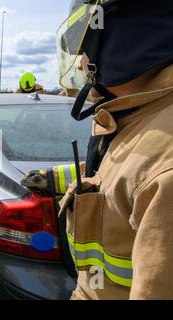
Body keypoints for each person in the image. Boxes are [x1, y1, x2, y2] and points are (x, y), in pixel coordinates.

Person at [57, 0, 173, 299]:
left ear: (122, 38)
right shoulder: (135, 119)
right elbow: (119, 176)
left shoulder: (165, 157)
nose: (82, 61)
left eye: (85, 47)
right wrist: (52, 178)